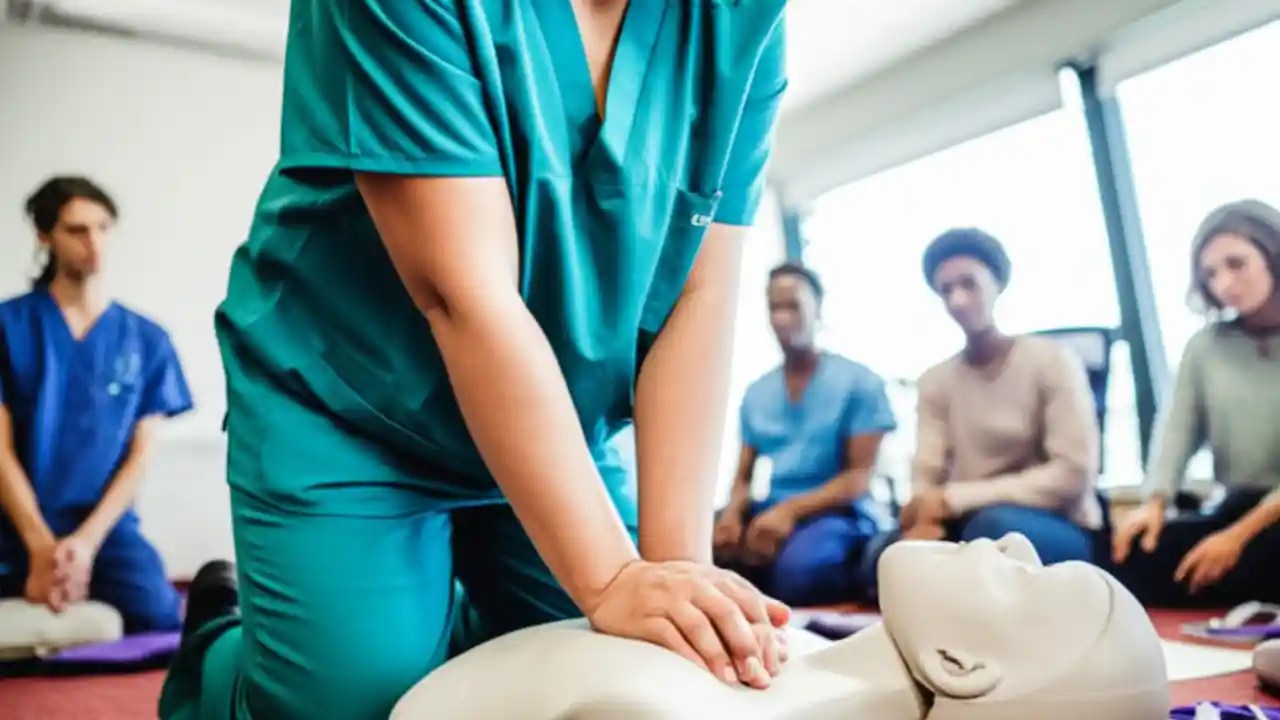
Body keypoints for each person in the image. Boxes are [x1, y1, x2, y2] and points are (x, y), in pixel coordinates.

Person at [161, 3, 792, 719]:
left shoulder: (742, 16)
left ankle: (440, 622)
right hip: (351, 405)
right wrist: (614, 576)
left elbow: (699, 292)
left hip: (558, 416)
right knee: (361, 703)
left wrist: (679, 573)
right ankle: (218, 640)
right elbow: (466, 294)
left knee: (621, 669)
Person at [0, 176, 193, 633]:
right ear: (45, 236)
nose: (94, 242)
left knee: (157, 613)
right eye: (77, 230)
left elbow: (140, 456)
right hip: (15, 519)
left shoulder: (147, 339)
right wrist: (40, 546)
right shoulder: (9, 326)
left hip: (104, 525)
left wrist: (85, 544)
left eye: (103, 228)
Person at [888, 228, 1102, 566]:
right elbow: (926, 471)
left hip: (1056, 524)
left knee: (991, 534)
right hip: (964, 518)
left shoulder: (1053, 361)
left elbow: (1072, 474)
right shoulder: (935, 381)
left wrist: (952, 499)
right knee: (882, 555)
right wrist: (923, 509)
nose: (957, 299)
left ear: (997, 283)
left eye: (968, 284)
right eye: (946, 290)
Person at [1111, 199, 1280, 606]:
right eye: (1211, 273)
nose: (1223, 284)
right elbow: (1177, 431)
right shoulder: (1205, 347)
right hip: (1238, 503)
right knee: (1137, 553)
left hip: (1272, 515)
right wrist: (1153, 504)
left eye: (1236, 264)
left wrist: (1235, 538)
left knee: (1260, 552)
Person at [712, 263, 896, 605]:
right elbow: (742, 478)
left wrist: (790, 511)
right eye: (774, 307)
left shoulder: (859, 382)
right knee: (702, 554)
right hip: (772, 507)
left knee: (799, 576)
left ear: (818, 309)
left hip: (838, 511)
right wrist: (732, 515)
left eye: (793, 306)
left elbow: (858, 478)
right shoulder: (757, 392)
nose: (782, 318)